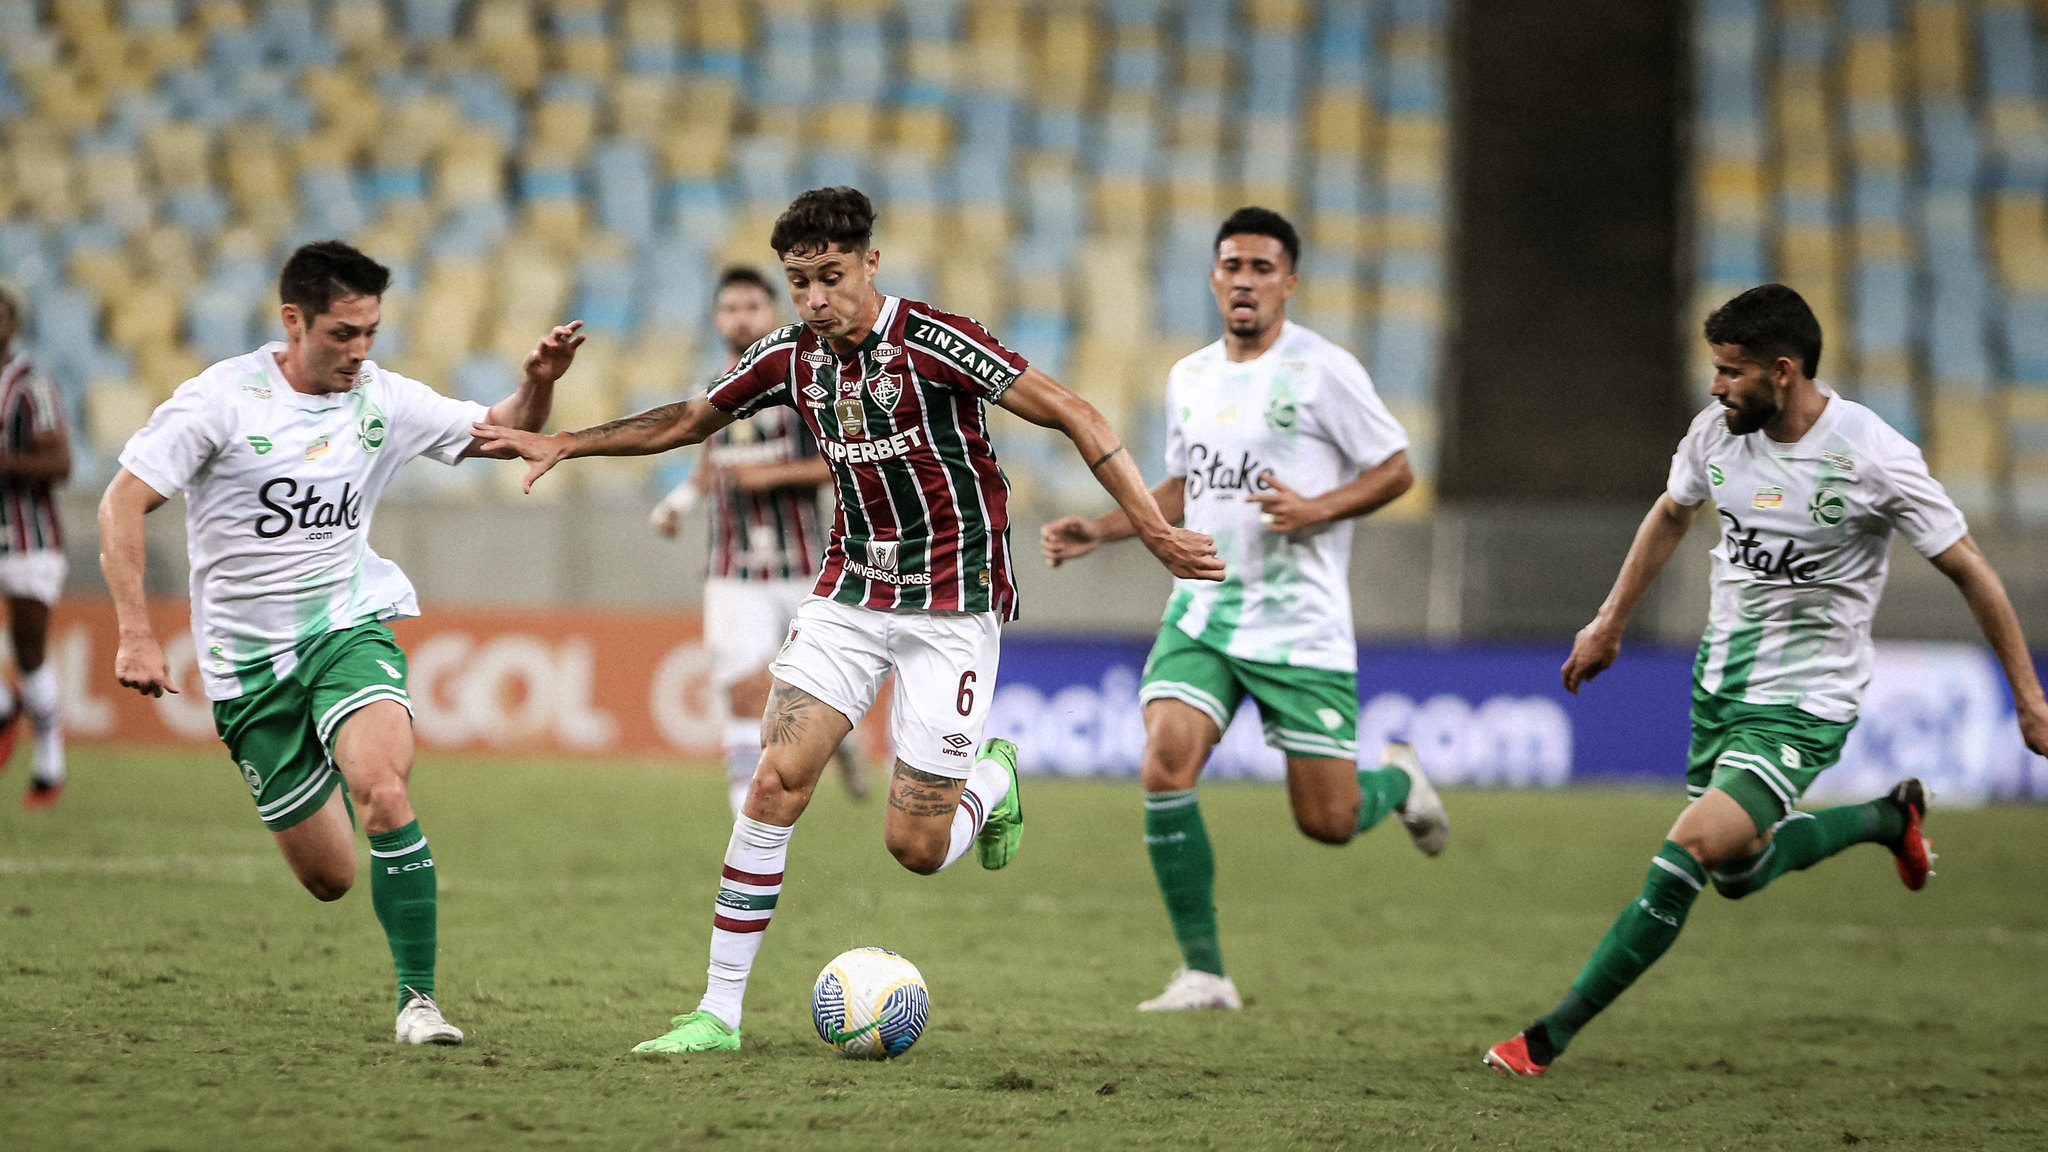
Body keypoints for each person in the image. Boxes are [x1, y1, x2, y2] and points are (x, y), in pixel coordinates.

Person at [474, 185, 1224, 1053]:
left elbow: (1076, 413)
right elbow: (688, 418)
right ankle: (717, 1013)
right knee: (771, 781)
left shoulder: (938, 342)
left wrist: (1155, 532)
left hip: (953, 604)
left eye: (830, 277)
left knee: (916, 845)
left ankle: (992, 781)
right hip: (849, 595)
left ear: (871, 263)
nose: (816, 300)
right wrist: (568, 442)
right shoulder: (792, 356)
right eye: (800, 283)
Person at [1483, 283, 2048, 1076]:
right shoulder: (1717, 434)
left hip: (1806, 704)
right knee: (1739, 873)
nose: (1716, 387)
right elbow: (1672, 512)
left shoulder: (1873, 456)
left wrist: (2029, 698)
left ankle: (1546, 1038)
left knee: (1684, 855)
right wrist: (1609, 621)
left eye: (1732, 371)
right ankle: (1889, 819)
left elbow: (1973, 571)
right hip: (1721, 686)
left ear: (1783, 371)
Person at [99, 240, 583, 1045]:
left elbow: (500, 434)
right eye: (342, 334)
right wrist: (135, 633)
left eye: (370, 333)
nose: (359, 352)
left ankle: (419, 1003)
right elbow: (120, 504)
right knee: (330, 878)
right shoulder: (219, 402)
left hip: (345, 628)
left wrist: (537, 383)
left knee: (385, 791)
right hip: (246, 668)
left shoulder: (380, 398)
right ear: (293, 321)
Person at [1040, 207, 1449, 1012]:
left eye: (1263, 268)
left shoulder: (1325, 371)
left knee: (1327, 823)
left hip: (1300, 626)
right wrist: (1105, 528)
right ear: (1214, 277)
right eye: (1233, 265)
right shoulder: (1189, 376)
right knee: (1163, 760)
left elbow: (1397, 469)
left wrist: (1321, 508)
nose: (1246, 281)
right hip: (1204, 611)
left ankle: (1397, 782)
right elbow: (1183, 487)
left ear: (1288, 283)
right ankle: (1204, 973)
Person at [650, 266, 867, 815]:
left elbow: (845, 460)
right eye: (729, 309)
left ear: (773, 314)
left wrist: (770, 477)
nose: (740, 318)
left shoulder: (807, 386)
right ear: (718, 319)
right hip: (733, 571)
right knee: (745, 694)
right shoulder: (712, 393)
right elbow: (708, 465)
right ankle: (744, 821)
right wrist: (675, 505)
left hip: (805, 569)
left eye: (751, 307)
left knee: (820, 694)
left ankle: (840, 746)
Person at [0, 286, 72, 809]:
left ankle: (50, 766)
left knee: (30, 655)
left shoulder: (30, 387)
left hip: (29, 540)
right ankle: (5, 706)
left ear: (14, 324)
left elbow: (59, 464)